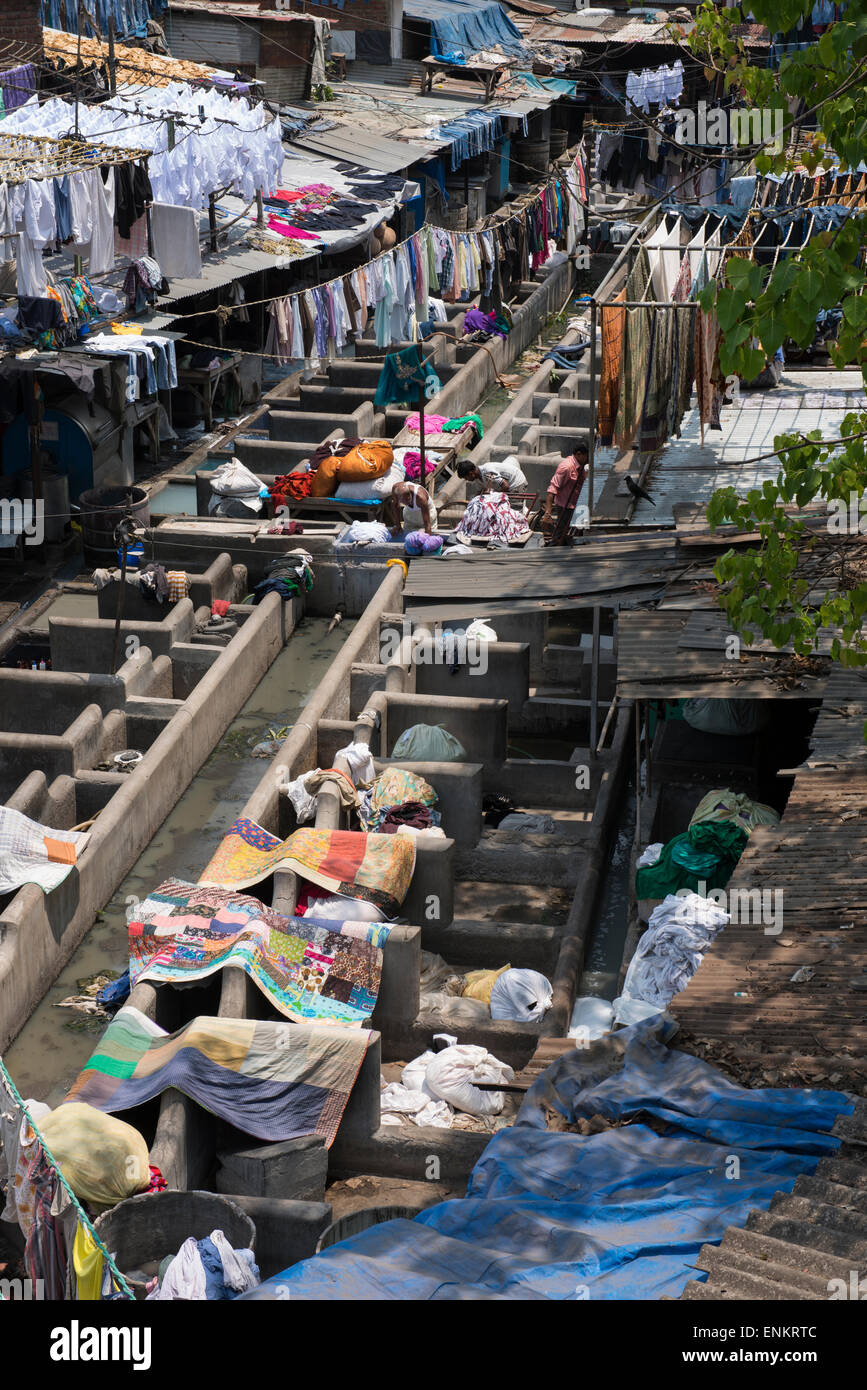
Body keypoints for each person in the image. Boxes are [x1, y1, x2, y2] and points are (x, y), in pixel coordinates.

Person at [542, 441, 588, 539]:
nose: (588, 460)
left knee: (577, 532)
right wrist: (547, 513)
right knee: (560, 534)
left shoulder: (580, 465)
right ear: (579, 454)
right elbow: (552, 489)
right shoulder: (566, 467)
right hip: (565, 507)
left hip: (575, 505)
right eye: (586, 457)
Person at [458, 455, 528, 494]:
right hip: (508, 485)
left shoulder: (487, 472)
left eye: (466, 478)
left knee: (512, 511)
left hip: (517, 483)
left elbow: (505, 486)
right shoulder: (477, 478)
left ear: (471, 474)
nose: (467, 480)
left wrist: (494, 496)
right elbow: (482, 492)